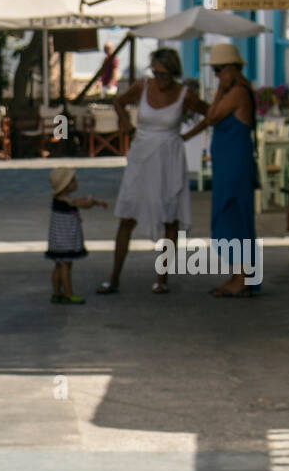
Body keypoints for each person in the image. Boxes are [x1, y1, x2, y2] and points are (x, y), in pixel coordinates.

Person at [97, 48, 208, 295]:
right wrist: (126, 125)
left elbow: (210, 113)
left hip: (169, 157)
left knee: (170, 217)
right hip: (142, 154)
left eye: (165, 74)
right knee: (127, 215)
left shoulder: (184, 94)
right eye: (156, 73)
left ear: (174, 73)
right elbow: (119, 102)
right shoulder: (142, 86)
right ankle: (114, 276)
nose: (160, 79)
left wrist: (188, 135)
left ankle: (162, 278)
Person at [182, 43, 259, 296]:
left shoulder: (237, 92)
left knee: (234, 214)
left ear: (231, 69)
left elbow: (213, 115)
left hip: (235, 163)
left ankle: (243, 277)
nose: (216, 75)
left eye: (218, 70)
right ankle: (238, 275)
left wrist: (218, 90)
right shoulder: (235, 91)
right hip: (228, 163)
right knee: (230, 215)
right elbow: (209, 119)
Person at [46, 167, 107, 304]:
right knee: (66, 265)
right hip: (65, 240)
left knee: (58, 265)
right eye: (73, 180)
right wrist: (92, 201)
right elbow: (84, 203)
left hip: (57, 241)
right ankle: (68, 293)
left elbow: (79, 201)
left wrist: (95, 202)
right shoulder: (67, 201)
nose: (76, 181)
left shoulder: (60, 199)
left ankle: (57, 292)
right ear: (67, 186)